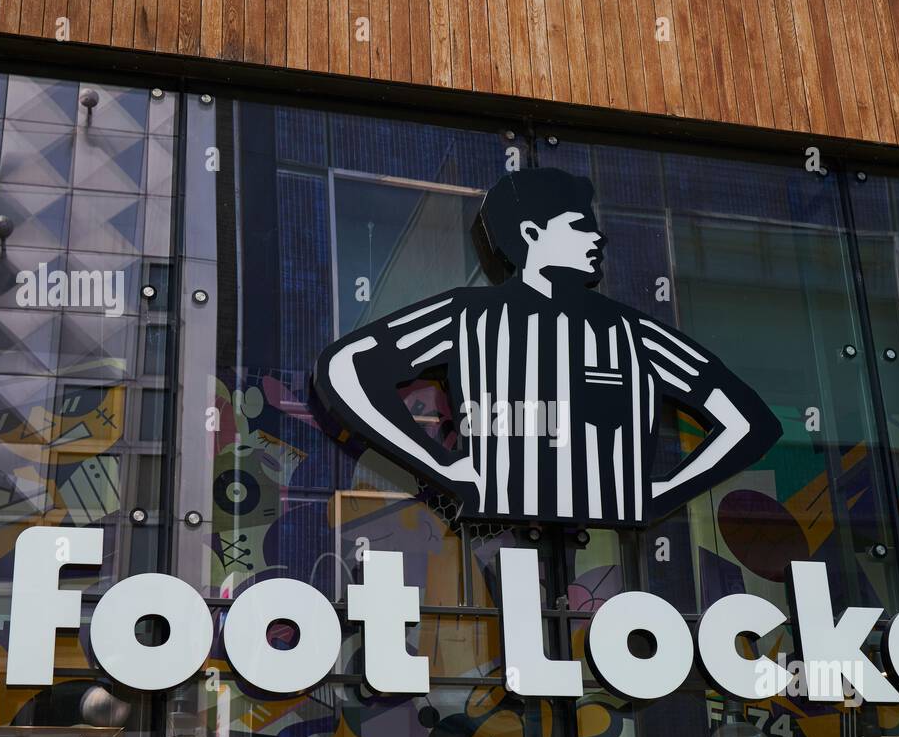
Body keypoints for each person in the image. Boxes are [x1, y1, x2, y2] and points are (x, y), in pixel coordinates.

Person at [315, 167, 780, 526]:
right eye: (579, 226)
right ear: (531, 235)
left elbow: (749, 421)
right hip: (496, 550)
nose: (597, 236)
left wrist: (665, 491)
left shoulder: (632, 334)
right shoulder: (469, 317)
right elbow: (345, 369)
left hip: (607, 578)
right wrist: (442, 467)